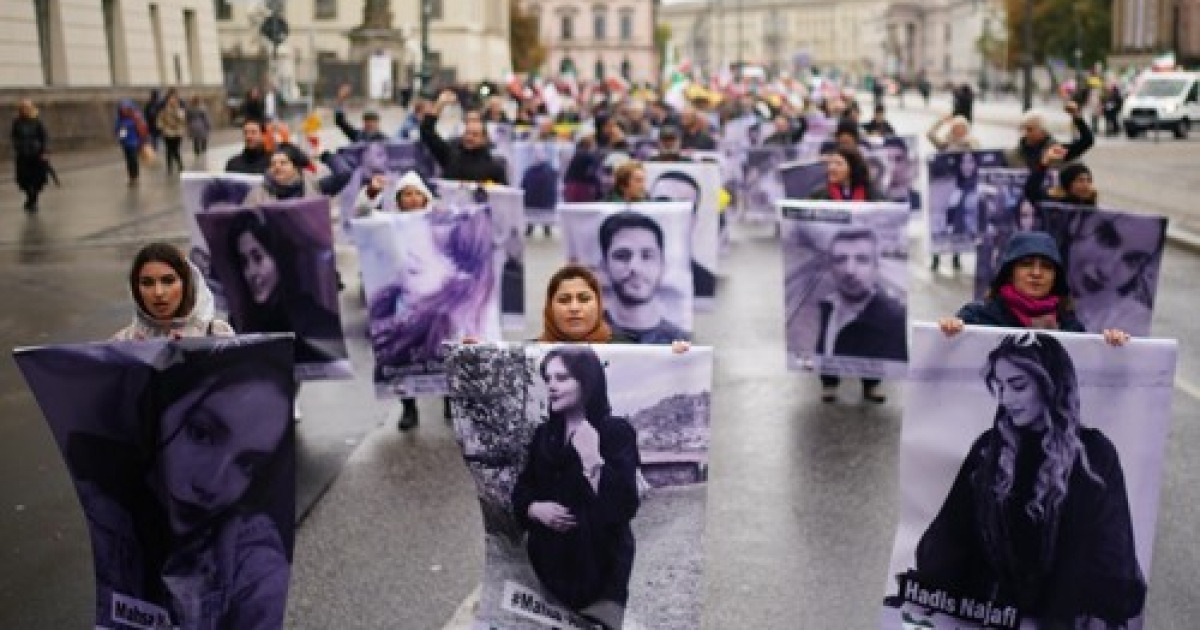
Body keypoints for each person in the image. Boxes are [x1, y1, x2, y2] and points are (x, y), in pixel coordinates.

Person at [913, 331, 1144, 626]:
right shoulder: (989, 448)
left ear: (1051, 386)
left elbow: (1112, 551)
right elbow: (951, 532)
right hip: (995, 614)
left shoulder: (1094, 455)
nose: (1006, 399)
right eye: (999, 387)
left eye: (1018, 386)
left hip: (1066, 618)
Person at [68, 346, 292, 629]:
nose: (212, 484)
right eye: (201, 433)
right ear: (158, 407)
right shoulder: (96, 513)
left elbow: (265, 594)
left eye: (247, 465)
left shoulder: (246, 552)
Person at [510, 345, 640, 628]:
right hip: (548, 567)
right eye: (548, 379)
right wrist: (534, 508)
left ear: (587, 382)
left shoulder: (615, 432)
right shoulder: (544, 436)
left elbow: (624, 506)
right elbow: (522, 489)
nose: (552, 386)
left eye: (562, 378)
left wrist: (592, 458)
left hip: (602, 569)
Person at [222, 210, 346, 365]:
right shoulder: (241, 321)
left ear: (279, 258)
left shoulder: (312, 319)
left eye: (258, 258)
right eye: (244, 262)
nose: (251, 272)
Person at [814, 229, 905, 403]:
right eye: (840, 260)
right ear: (830, 267)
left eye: (862, 260)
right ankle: (829, 382)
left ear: (876, 267)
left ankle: (871, 384)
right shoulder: (826, 307)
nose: (850, 270)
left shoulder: (894, 317)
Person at [1054, 212, 1165, 335]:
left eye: (1133, 259)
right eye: (1106, 239)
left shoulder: (1132, 322)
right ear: (1077, 220)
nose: (1107, 270)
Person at [597, 211, 690, 344]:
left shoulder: (682, 342)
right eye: (622, 256)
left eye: (647, 256)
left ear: (663, 265)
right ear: (604, 266)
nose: (635, 267)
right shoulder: (585, 337)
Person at [114, 241, 234, 340]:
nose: (158, 292)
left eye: (168, 281)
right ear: (136, 289)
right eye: (147, 283)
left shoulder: (216, 333)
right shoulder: (123, 341)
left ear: (186, 284)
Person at [420, 89, 508, 184]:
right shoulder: (450, 155)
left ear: (484, 139)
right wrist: (440, 104)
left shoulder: (494, 167)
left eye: (475, 135)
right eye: (467, 133)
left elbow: (504, 196)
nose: (469, 138)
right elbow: (426, 132)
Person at [242, 150, 351, 205]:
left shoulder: (314, 187)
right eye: (273, 164)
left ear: (296, 168)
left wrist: (325, 155)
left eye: (283, 163)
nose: (277, 166)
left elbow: (344, 174)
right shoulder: (258, 194)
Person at [12, 98, 49, 212]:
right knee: (23, 179)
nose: (25, 110)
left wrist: (43, 150)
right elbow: (14, 136)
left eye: (27, 107)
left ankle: (34, 198)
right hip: (23, 154)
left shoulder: (37, 121)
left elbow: (44, 137)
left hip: (36, 154)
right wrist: (18, 146)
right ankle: (30, 196)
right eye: (23, 108)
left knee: (38, 179)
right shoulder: (17, 122)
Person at [809, 147, 878, 202]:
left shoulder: (871, 194)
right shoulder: (819, 195)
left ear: (852, 167)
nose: (831, 168)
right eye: (830, 163)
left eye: (838, 164)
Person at [115, 100, 149, 186]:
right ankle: (131, 176)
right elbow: (117, 129)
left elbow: (142, 128)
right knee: (128, 160)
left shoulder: (136, 117)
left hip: (134, 142)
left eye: (126, 108)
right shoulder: (120, 119)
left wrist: (142, 140)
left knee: (133, 160)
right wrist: (120, 135)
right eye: (122, 109)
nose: (124, 110)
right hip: (125, 143)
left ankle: (135, 176)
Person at [156, 91, 186, 175]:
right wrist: (161, 127)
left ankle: (180, 164)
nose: (172, 101)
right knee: (169, 150)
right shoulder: (164, 110)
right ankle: (169, 166)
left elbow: (182, 120)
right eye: (170, 99)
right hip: (168, 132)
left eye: (174, 99)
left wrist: (176, 112)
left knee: (175, 149)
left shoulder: (180, 110)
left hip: (178, 132)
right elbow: (159, 120)